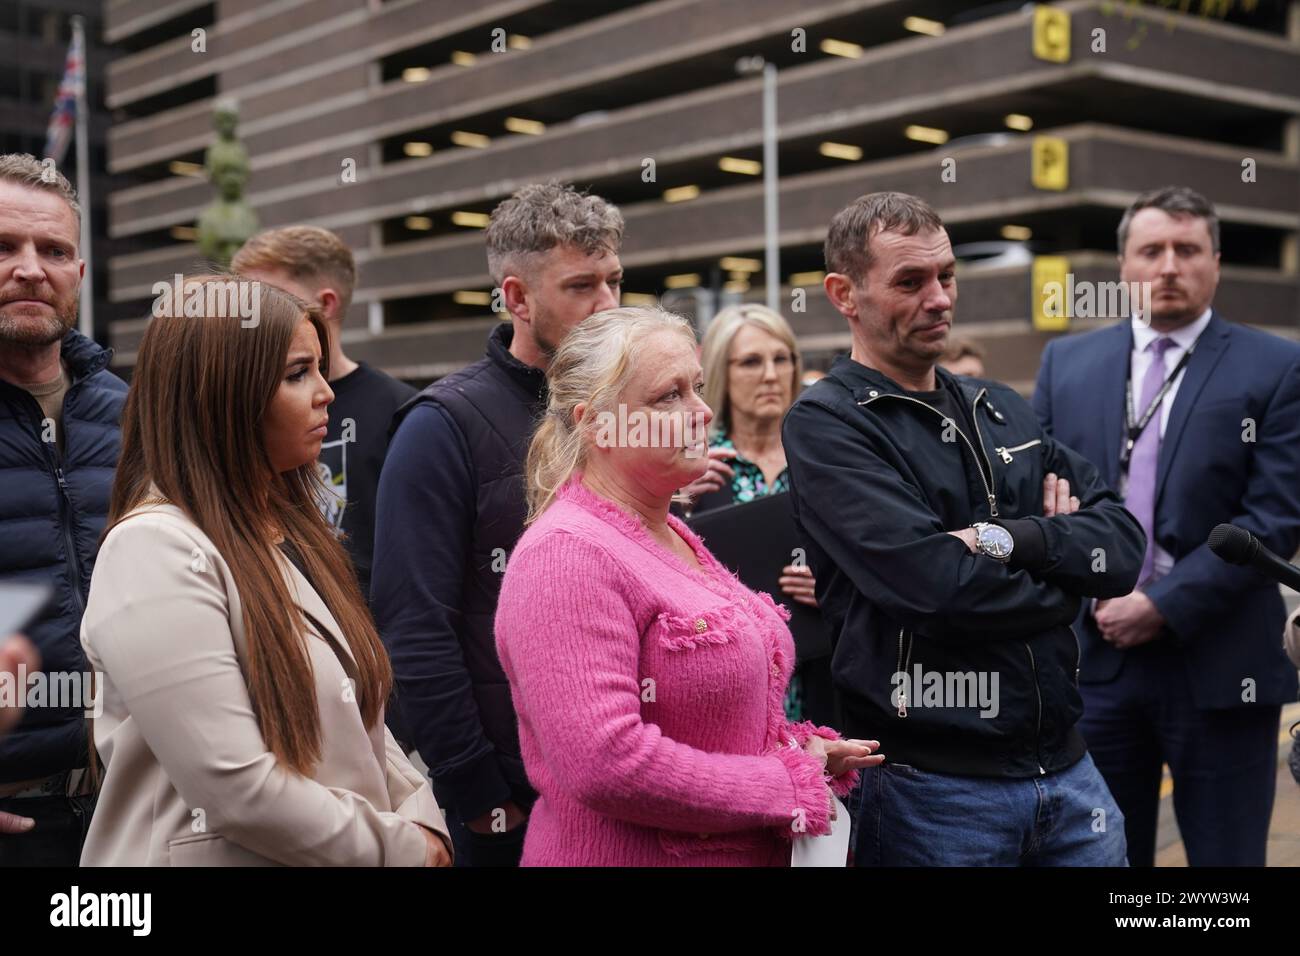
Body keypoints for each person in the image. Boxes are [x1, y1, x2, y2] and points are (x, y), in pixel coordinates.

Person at [783, 191, 1146, 866]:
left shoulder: (999, 406)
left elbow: (1122, 546)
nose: (940, 298)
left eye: (947, 276)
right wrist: (1066, 584)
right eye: (910, 282)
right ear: (843, 293)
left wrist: (1014, 540)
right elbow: (937, 587)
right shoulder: (828, 424)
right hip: (932, 793)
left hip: (1069, 774)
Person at [79, 276, 451, 866]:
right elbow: (235, 788)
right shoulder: (153, 549)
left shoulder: (289, 530)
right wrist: (402, 849)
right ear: (223, 396)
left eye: (321, 370)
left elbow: (361, 724)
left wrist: (426, 818)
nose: (327, 393)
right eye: (297, 374)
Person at [495, 305, 879, 866]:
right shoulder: (566, 556)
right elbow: (606, 765)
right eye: (667, 396)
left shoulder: (665, 530)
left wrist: (803, 749)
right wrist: (785, 783)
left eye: (696, 388)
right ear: (595, 423)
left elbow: (702, 719)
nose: (700, 412)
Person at [1033, 185, 1300, 866]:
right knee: (1099, 858)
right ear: (1124, 266)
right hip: (1093, 666)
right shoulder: (1067, 364)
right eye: (1152, 250)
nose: (1169, 266)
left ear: (1215, 260)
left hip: (1221, 665)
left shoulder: (1276, 367)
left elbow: (1274, 519)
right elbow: (1034, 499)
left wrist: (1160, 605)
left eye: (1187, 249)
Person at [372, 183, 624, 866]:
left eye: (614, 282)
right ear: (517, 298)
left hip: (623, 782)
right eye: (581, 287)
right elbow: (414, 624)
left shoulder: (624, 412)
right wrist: (475, 789)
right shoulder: (441, 426)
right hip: (508, 796)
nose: (607, 306)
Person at [0, 153, 125, 865]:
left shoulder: (139, 417)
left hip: (135, 802)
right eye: (4, 247)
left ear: (79, 274)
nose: (29, 268)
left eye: (53, 250)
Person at [232, 226, 415, 602]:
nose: (250, 315)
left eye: (268, 297)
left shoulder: (404, 413)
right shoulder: (239, 405)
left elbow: (413, 565)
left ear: (326, 304)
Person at [683, 303, 832, 725]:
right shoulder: (692, 463)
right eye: (751, 361)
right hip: (726, 681)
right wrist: (670, 501)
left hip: (822, 677)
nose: (770, 374)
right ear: (719, 372)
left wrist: (837, 588)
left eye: (781, 359)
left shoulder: (825, 461)